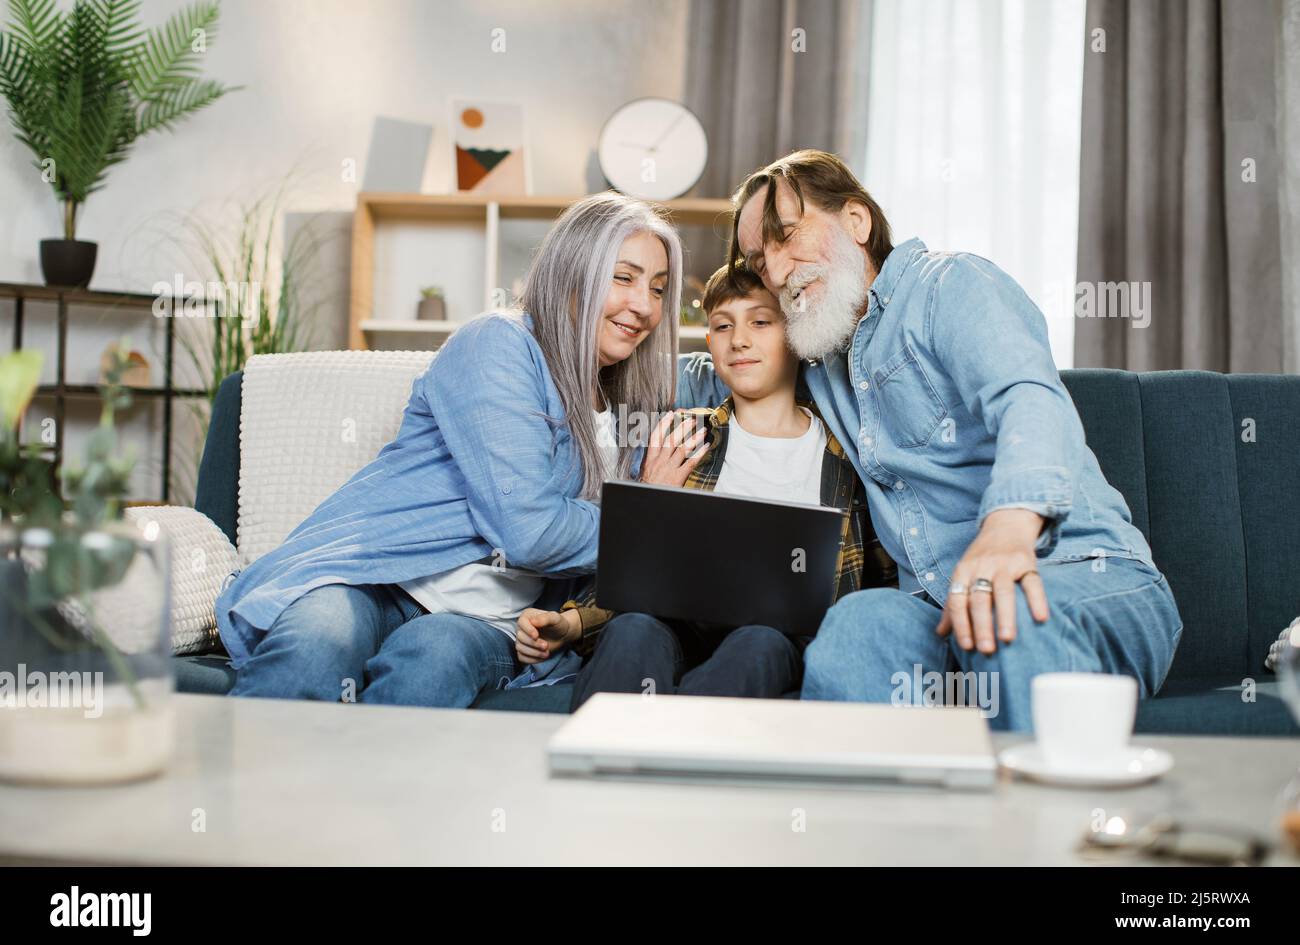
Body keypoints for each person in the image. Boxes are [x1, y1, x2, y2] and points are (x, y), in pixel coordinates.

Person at [676, 149, 1183, 731]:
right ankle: (887, 821)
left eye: (788, 237)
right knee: (855, 628)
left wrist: (1007, 532)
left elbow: (1029, 399)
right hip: (940, 612)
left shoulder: (950, 287)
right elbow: (724, 362)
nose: (780, 271)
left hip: (1084, 578)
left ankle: (1052, 817)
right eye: (760, 259)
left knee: (1001, 602)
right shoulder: (818, 353)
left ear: (857, 222)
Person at [214, 192, 708, 708]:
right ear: (573, 272)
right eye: (623, 278)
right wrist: (643, 512)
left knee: (428, 668)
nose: (645, 306)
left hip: (486, 622)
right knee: (314, 651)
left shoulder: (640, 406)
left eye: (658, 288)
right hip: (374, 576)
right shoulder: (500, 344)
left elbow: (742, 365)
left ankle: (367, 789)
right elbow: (531, 532)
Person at [511, 263, 896, 711]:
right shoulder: (681, 436)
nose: (740, 340)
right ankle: (607, 767)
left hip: (777, 641)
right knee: (633, 628)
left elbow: (882, 579)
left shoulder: (845, 453)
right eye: (723, 326)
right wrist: (574, 623)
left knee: (760, 642)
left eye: (760, 321)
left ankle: (678, 760)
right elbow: (634, 569)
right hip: (675, 628)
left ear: (796, 334)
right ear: (709, 342)